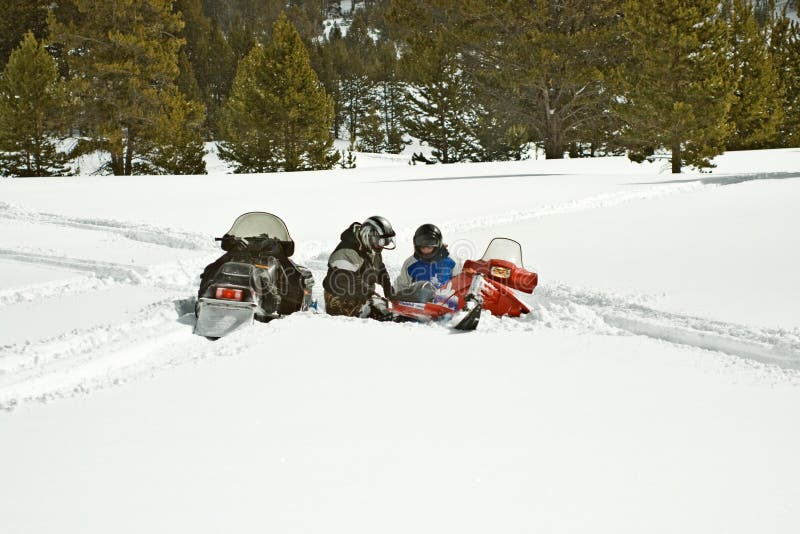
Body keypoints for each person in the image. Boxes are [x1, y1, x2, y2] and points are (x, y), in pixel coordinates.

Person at [322, 215, 397, 319]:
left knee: (386, 311)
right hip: (341, 300)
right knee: (379, 314)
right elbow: (347, 280)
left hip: (363, 296)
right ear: (368, 235)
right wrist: (373, 296)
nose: (382, 245)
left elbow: (380, 270)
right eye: (381, 241)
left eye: (385, 241)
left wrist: (389, 291)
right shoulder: (347, 251)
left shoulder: (372, 248)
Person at [394, 223, 458, 303]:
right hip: (417, 307)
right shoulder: (410, 264)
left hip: (445, 305)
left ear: (437, 245)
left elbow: (459, 283)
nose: (426, 250)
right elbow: (402, 286)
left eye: (429, 247)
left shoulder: (451, 261)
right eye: (423, 247)